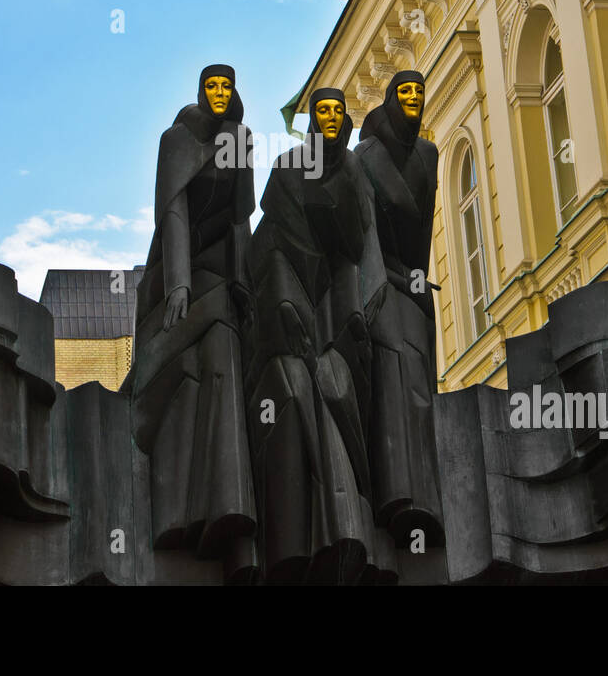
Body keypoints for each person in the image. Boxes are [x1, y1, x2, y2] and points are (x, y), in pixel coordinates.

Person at [245, 87, 387, 583]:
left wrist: (353, 313)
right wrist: (283, 301)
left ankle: (347, 522)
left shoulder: (352, 172)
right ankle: (299, 538)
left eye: (336, 111)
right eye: (321, 111)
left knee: (336, 382)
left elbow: (357, 246)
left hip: (332, 304)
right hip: (283, 300)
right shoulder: (287, 169)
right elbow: (272, 242)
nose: (329, 118)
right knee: (293, 387)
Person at [126, 64, 257, 575]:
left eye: (227, 86)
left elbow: (241, 218)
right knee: (190, 357)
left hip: (221, 270)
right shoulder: (177, 139)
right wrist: (178, 282)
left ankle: (228, 504)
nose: (220, 94)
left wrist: (243, 279)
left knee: (223, 350)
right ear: (202, 92)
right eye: (213, 87)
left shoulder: (240, 139)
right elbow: (174, 212)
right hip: (177, 274)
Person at [353, 70, 445, 547]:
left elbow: (423, 231)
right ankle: (398, 494)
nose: (414, 98)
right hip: (379, 286)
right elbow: (364, 232)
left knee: (421, 386)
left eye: (418, 92)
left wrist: (416, 282)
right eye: (404, 92)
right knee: (396, 377)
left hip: (410, 284)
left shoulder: (428, 155)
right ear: (390, 100)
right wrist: (374, 291)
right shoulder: (364, 157)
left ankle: (427, 495)